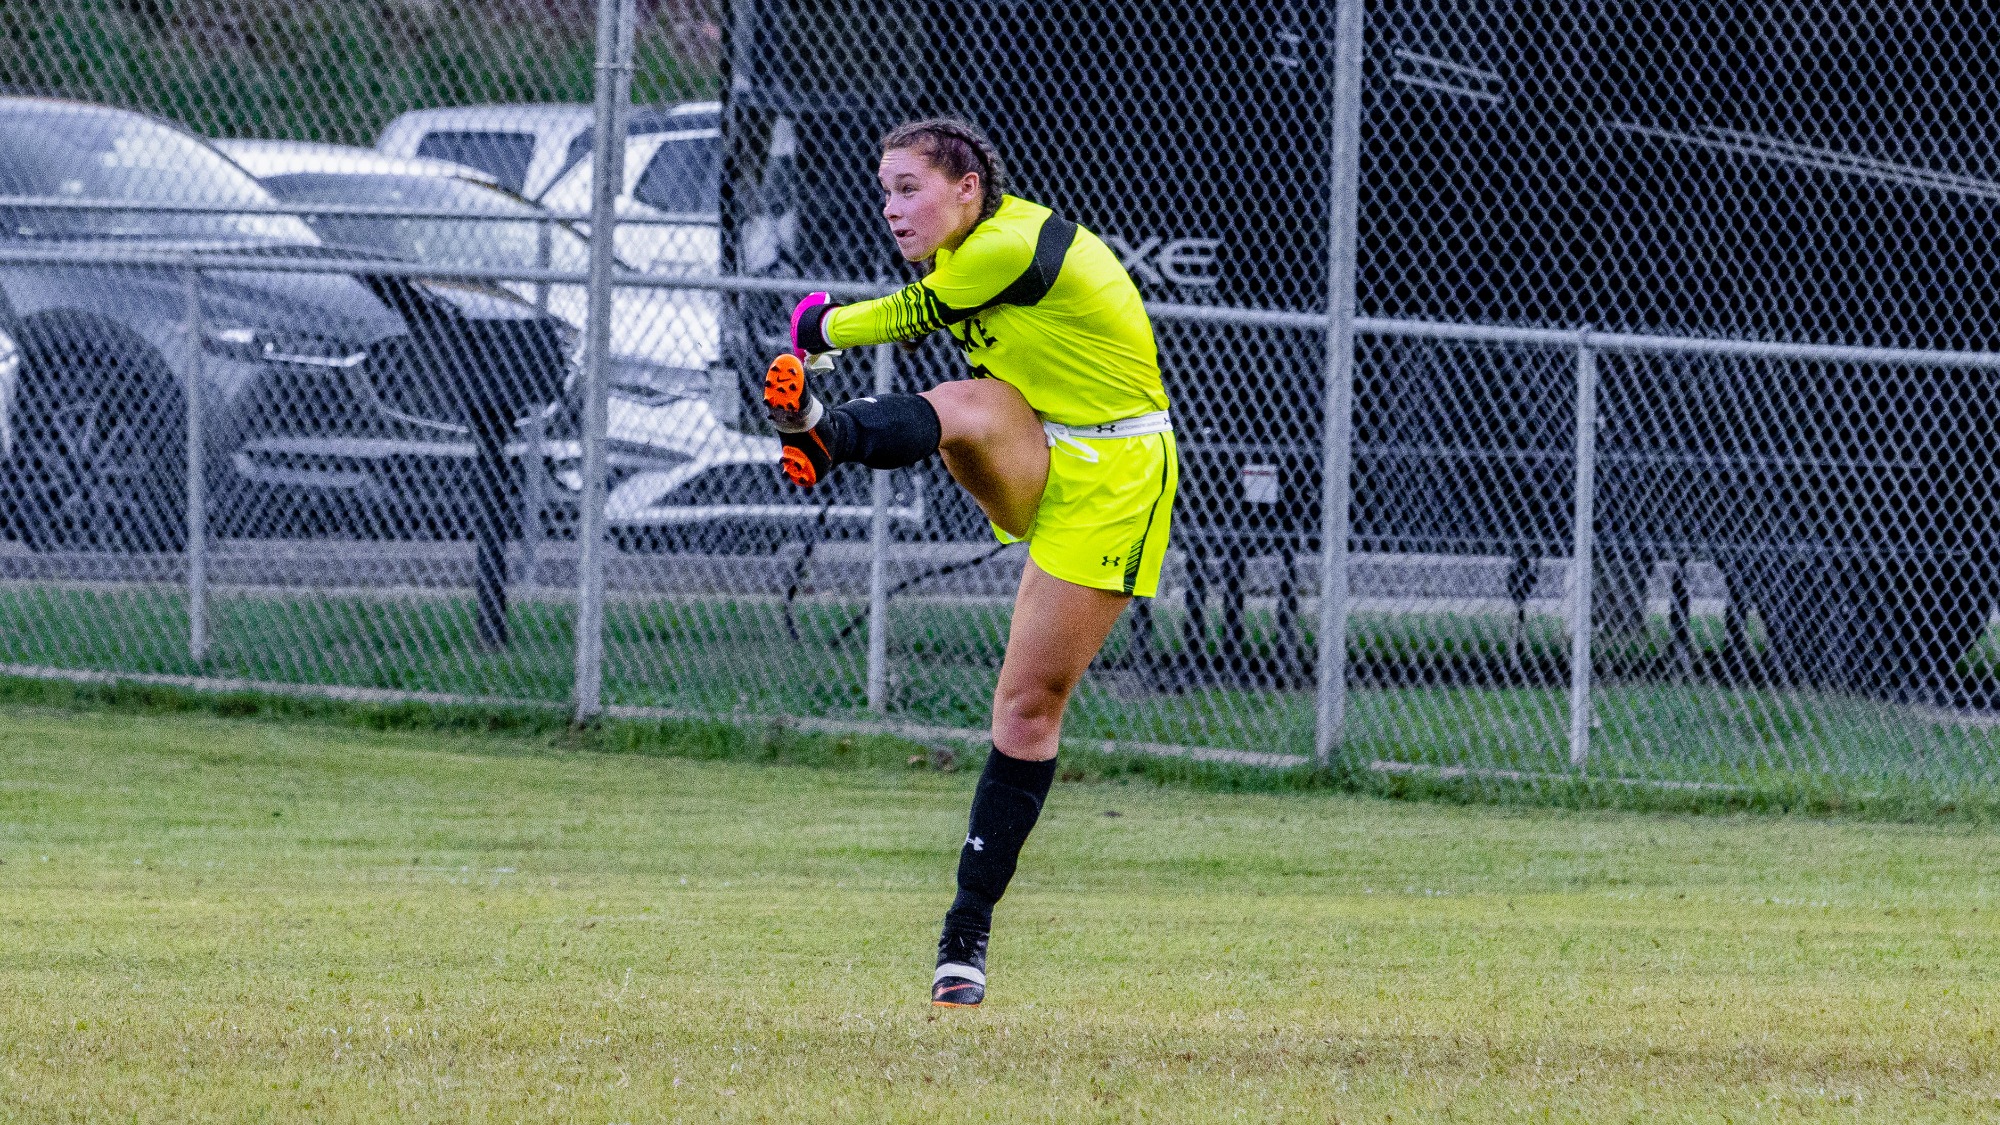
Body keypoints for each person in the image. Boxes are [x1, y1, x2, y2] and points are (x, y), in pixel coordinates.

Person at [762, 118, 1176, 1008]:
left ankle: (965, 932)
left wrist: (815, 326)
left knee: (1026, 711)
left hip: (1117, 474)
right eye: (884, 191)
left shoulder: (1008, 244)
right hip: (1039, 451)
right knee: (965, 402)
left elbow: (907, 317)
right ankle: (825, 434)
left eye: (909, 189)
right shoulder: (963, 252)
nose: (891, 210)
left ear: (968, 189)